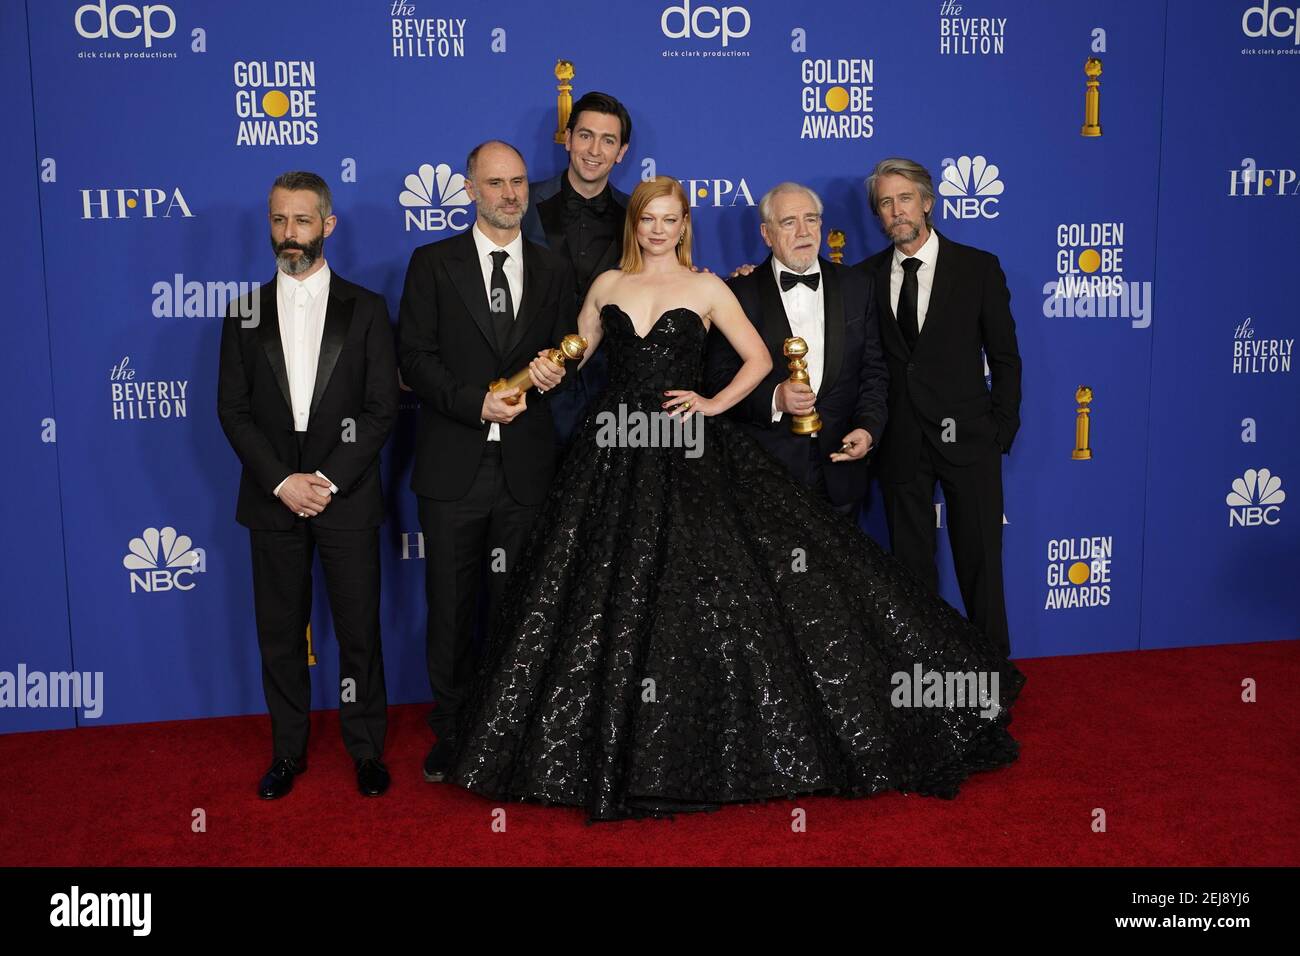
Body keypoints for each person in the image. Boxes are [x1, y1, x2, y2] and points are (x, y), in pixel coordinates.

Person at [443, 176, 1023, 822]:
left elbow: (756, 359)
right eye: (648, 219)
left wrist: (711, 406)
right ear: (634, 225)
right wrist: (550, 370)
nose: (658, 229)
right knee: (599, 591)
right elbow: (578, 354)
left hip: (687, 452)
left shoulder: (709, 287)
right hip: (610, 451)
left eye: (669, 219)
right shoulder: (606, 285)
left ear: (684, 223)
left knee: (701, 591)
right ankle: (617, 745)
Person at [397, 141, 577, 784]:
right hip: (454, 464)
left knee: (516, 603)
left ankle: (507, 729)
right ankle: (451, 728)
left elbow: (565, 352)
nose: (509, 194)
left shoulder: (554, 270)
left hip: (528, 468)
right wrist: (475, 403)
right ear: (469, 189)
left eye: (520, 183)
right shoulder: (432, 263)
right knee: (450, 604)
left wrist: (558, 369)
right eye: (496, 183)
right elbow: (413, 359)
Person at [217, 171, 398, 799]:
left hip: (344, 497)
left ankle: (367, 751)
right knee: (279, 633)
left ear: (328, 224)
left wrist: (323, 480)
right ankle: (287, 753)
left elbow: (381, 409)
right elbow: (232, 411)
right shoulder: (242, 311)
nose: (289, 234)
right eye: (278, 220)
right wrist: (281, 483)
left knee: (358, 632)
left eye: (301, 220)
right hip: (272, 503)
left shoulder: (368, 309)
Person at [855, 158, 1022, 658]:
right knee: (910, 571)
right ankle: (923, 685)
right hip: (902, 442)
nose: (896, 211)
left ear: (927, 203)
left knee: (981, 566)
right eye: (885, 203)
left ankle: (992, 678)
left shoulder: (977, 267)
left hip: (970, 438)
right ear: (878, 216)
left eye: (905, 199)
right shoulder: (863, 277)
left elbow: (1006, 357)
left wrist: (999, 429)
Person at [705, 181, 888, 522]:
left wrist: (868, 428)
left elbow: (873, 371)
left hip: (841, 468)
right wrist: (775, 398)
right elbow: (717, 379)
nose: (803, 231)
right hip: (765, 471)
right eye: (789, 222)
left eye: (811, 219)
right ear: (766, 233)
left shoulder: (857, 286)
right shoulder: (737, 293)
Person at [521, 91, 633, 444]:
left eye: (608, 140)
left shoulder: (640, 217)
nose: (594, 150)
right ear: (567, 139)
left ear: (622, 152)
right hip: (534, 379)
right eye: (585, 135)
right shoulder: (521, 202)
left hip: (614, 389)